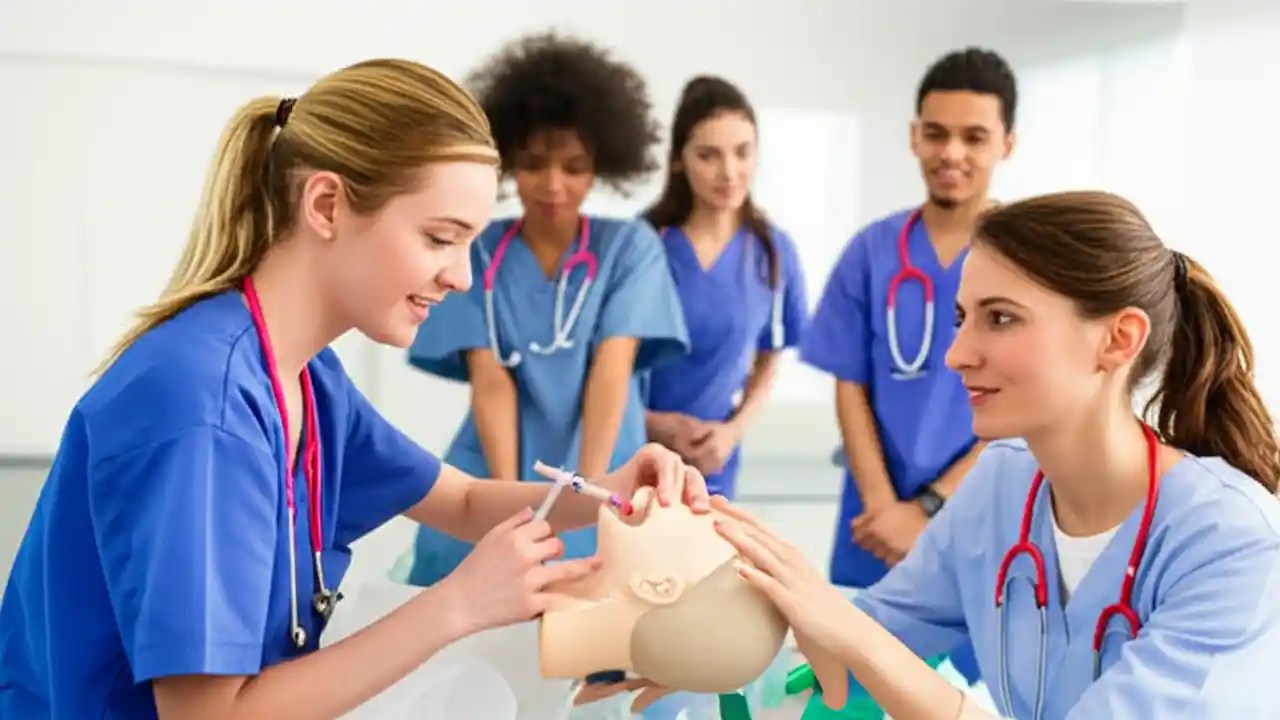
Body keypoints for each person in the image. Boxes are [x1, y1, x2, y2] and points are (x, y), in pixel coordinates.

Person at [0, 58, 708, 720]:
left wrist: (605, 490)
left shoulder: (304, 378)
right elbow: (209, 715)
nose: (463, 276)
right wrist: (457, 604)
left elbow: (457, 501)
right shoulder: (204, 407)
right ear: (328, 205)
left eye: (469, 244)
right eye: (439, 238)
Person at [715, 190, 1280, 719]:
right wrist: (702, 636)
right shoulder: (1003, 482)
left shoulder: (1228, 539)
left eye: (1001, 317)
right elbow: (877, 629)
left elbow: (862, 640)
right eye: (962, 318)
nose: (958, 354)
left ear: (1118, 339)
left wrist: (855, 636)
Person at [403, 32, 688, 588]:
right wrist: (512, 511)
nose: (553, 185)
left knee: (607, 627)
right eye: (533, 164)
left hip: (604, 467)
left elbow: (612, 371)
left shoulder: (629, 249)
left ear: (602, 166)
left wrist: (589, 487)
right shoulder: (478, 248)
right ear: (508, 162)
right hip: (492, 463)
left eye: (574, 166)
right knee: (465, 631)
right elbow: (491, 382)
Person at [798, 46, 1018, 687]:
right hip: (874, 520)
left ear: (1007, 142)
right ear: (914, 137)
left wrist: (927, 507)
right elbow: (850, 383)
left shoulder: (1027, 254)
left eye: (974, 136)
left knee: (977, 689)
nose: (952, 153)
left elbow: (1032, 395)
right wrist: (887, 507)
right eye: (937, 133)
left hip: (983, 509)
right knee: (861, 680)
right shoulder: (871, 250)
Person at [641, 75, 809, 500]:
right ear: (680, 160)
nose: (729, 172)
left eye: (742, 152)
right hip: (633, 454)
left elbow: (772, 353)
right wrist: (655, 424)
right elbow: (602, 363)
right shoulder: (643, 245)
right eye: (708, 155)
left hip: (714, 463)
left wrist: (733, 431)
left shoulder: (773, 252)